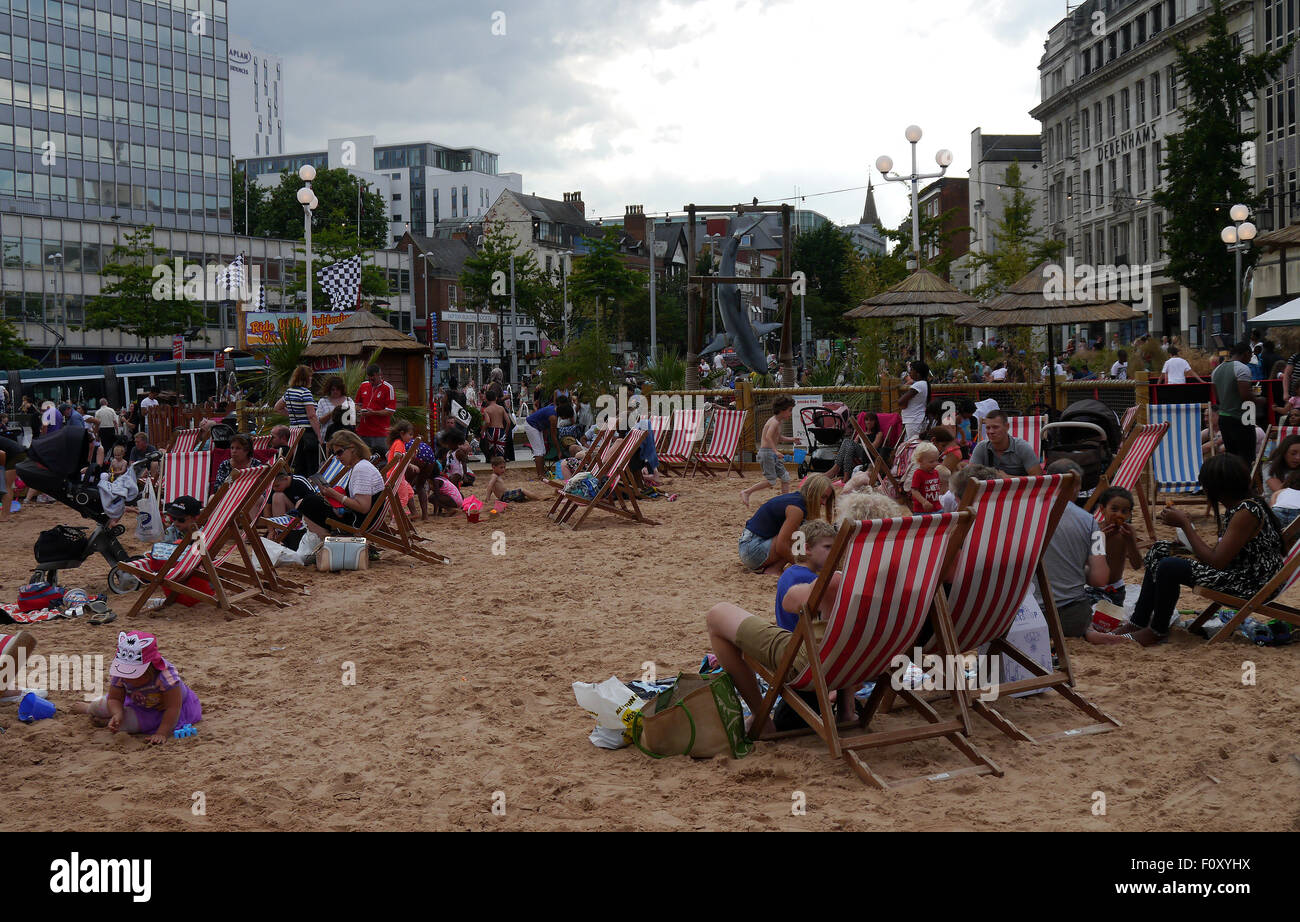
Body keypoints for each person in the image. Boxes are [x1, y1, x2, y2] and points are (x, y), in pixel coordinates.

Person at [1091, 455, 1284, 647]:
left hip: (1250, 585)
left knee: (1169, 566)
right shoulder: (1243, 506)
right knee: (1160, 550)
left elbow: (1217, 562)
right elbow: (1222, 555)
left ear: (1218, 487)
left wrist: (1185, 525)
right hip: (1241, 575)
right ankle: (1137, 622)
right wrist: (1185, 543)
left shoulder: (1246, 511)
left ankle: (1157, 631)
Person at [707, 518, 853, 734]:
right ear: (806, 548)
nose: (833, 553)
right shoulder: (815, 579)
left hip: (806, 659)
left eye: (835, 547)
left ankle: (761, 718)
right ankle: (847, 711)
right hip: (843, 662)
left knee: (718, 616)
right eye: (827, 547)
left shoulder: (803, 576)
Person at [72, 631, 202, 745]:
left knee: (125, 726)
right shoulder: (121, 672)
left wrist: (162, 733)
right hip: (137, 701)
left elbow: (173, 707)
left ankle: (105, 721)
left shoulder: (165, 676)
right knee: (99, 705)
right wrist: (117, 713)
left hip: (161, 711)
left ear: (149, 669)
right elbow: (114, 698)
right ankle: (88, 708)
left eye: (134, 673)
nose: (127, 677)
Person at [1034, 460, 1111, 636]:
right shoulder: (1090, 521)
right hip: (1072, 619)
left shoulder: (1024, 513)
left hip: (1027, 617)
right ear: (1076, 485)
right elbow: (1100, 579)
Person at [297, 431, 387, 543]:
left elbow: (363, 507)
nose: (337, 458)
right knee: (308, 501)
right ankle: (327, 542)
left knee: (306, 503)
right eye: (335, 454)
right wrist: (329, 495)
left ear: (353, 448)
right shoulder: (361, 466)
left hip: (357, 521)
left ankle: (329, 543)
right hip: (359, 518)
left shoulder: (361, 469)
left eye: (339, 453)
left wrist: (334, 494)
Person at [737, 473, 836, 574]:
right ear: (813, 492)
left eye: (826, 499)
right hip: (751, 550)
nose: (824, 503)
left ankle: (774, 568)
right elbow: (781, 546)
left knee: (802, 534)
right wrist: (804, 568)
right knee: (799, 535)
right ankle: (775, 568)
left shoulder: (797, 499)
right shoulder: (797, 509)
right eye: (823, 497)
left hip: (750, 545)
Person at [740, 397, 796, 506]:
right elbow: (768, 437)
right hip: (767, 453)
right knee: (771, 481)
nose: (790, 413)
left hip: (771, 453)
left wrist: (792, 439)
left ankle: (785, 501)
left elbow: (778, 437)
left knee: (785, 477)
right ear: (782, 410)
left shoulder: (778, 422)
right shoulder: (774, 422)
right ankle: (746, 492)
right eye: (790, 410)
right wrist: (775, 451)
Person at [1212, 341, 1258, 469]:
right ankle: (1245, 483)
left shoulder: (1216, 370)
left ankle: (1233, 482)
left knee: (1231, 456)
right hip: (1241, 417)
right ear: (1246, 353)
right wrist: (1260, 400)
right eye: (1250, 355)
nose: (1250, 358)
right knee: (1246, 456)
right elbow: (1245, 396)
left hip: (1224, 417)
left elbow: (1217, 397)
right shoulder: (1242, 369)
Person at [274, 365, 323, 477]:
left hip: (294, 433)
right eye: (310, 376)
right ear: (306, 378)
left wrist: (291, 415)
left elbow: (277, 407)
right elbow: (312, 416)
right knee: (312, 465)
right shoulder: (305, 393)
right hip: (307, 432)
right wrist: (319, 435)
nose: (311, 379)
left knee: (299, 464)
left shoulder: (289, 392)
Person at [969, 410, 1043, 476]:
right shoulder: (981, 447)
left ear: (1007, 427)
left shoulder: (1022, 447)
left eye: (995, 427)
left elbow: (1038, 478)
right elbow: (970, 476)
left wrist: (1008, 478)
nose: (991, 432)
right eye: (988, 428)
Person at [355, 364, 396, 456]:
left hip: (380, 433)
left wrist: (373, 413)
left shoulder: (388, 388)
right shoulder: (363, 385)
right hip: (363, 432)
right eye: (369, 379)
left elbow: (391, 411)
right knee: (363, 457)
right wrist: (360, 411)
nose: (370, 381)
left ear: (379, 375)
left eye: (372, 379)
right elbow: (357, 404)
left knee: (381, 459)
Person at [524, 396, 566, 480]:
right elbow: (553, 435)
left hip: (536, 427)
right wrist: (558, 451)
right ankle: (540, 475)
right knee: (539, 452)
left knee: (542, 450)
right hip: (531, 425)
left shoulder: (554, 410)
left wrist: (544, 441)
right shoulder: (553, 417)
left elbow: (546, 428)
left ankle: (542, 473)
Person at [898, 360, 930, 439]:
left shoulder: (918, 385)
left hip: (914, 420)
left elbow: (901, 401)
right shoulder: (924, 383)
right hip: (915, 419)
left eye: (912, 370)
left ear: (918, 373)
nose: (910, 372)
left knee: (914, 444)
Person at [909, 442, 943, 513]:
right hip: (922, 510)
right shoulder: (918, 473)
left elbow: (937, 487)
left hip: (937, 508)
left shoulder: (936, 472)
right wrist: (924, 502)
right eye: (931, 462)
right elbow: (914, 491)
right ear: (920, 461)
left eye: (937, 460)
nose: (935, 464)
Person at [316, 375, 352, 441]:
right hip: (328, 437)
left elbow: (352, 420)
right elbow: (320, 421)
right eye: (333, 389)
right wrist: (334, 412)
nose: (335, 391)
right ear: (329, 389)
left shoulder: (348, 400)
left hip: (346, 438)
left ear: (341, 389)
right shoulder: (323, 401)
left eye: (338, 389)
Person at [0, 433, 26, 522]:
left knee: (6, 486)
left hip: (16, 455)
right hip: (13, 454)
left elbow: (2, 454)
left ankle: (4, 517)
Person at [480, 388, 510, 460]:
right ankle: (501, 467)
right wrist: (505, 432)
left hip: (491, 431)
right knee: (501, 452)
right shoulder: (501, 408)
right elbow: (508, 422)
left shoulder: (487, 409)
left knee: (492, 452)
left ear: (486, 399)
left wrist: (483, 431)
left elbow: (487, 422)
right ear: (496, 398)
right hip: (501, 431)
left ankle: (493, 468)